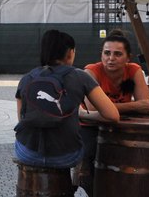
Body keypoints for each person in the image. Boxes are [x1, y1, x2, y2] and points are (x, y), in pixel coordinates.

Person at [14, 29, 119, 169]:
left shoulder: (27, 79)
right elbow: (112, 115)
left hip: (28, 154)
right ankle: (81, 177)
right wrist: (82, 114)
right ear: (70, 53)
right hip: (65, 157)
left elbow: (21, 119)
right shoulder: (80, 76)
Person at [77, 29, 149, 196]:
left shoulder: (133, 70)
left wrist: (112, 108)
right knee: (91, 161)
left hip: (120, 125)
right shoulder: (91, 71)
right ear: (101, 55)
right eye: (107, 53)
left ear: (128, 57)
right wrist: (133, 106)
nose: (111, 58)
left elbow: (146, 106)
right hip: (90, 126)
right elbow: (93, 110)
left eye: (118, 54)